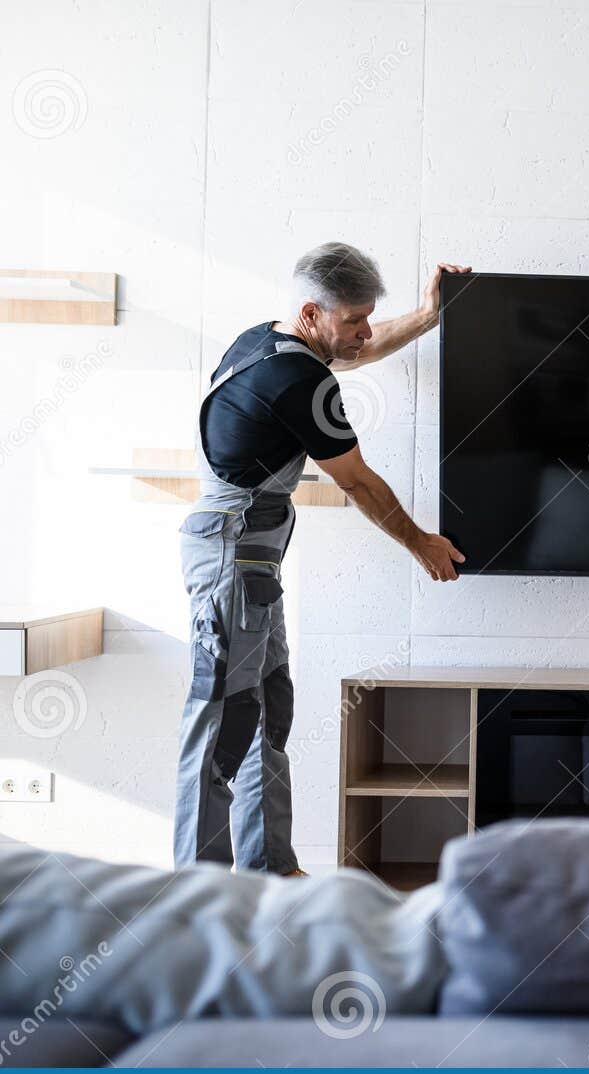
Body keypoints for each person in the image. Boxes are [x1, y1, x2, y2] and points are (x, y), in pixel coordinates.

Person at [175, 243, 473, 875]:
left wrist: (426, 316)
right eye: (354, 320)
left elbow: (359, 347)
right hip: (233, 552)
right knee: (221, 720)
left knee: (266, 708)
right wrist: (421, 543)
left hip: (252, 555)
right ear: (314, 312)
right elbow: (358, 482)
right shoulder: (300, 379)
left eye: (370, 318)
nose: (365, 333)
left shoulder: (268, 341)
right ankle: (196, 896)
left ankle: (270, 868)